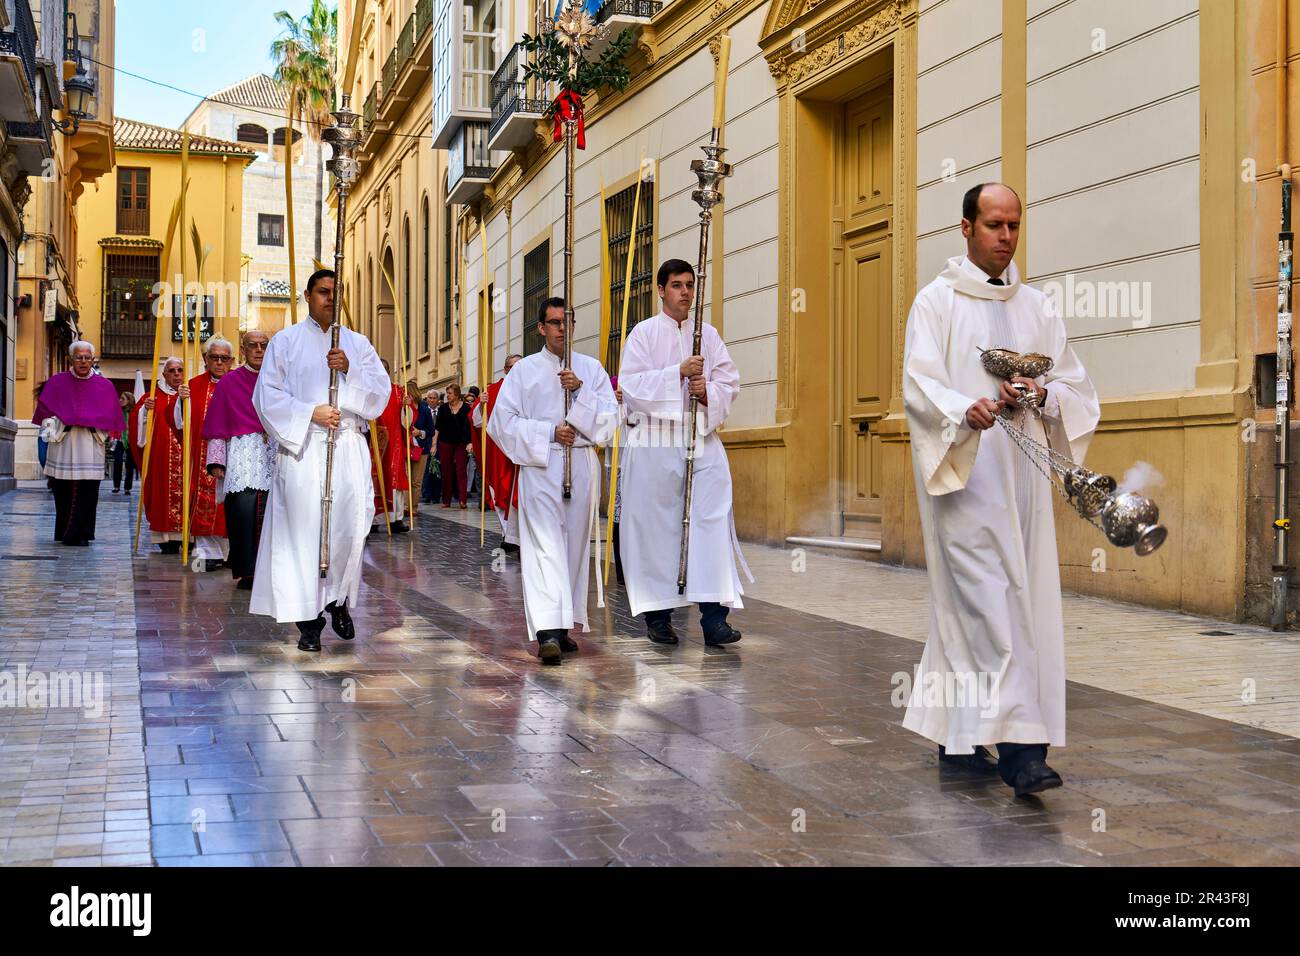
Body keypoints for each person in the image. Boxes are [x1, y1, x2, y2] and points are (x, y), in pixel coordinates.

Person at [901, 182, 1100, 798]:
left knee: (1002, 607)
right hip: (966, 480)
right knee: (988, 604)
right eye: (994, 225)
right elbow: (920, 384)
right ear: (966, 228)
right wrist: (967, 409)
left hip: (1024, 485)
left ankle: (956, 735)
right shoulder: (935, 304)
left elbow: (1076, 388)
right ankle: (1022, 753)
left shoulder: (1037, 306)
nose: (1006, 237)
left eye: (1014, 225)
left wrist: (1038, 394)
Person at [249, 269, 390, 651]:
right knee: (304, 534)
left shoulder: (358, 345)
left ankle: (338, 598)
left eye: (335, 292)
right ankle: (307, 622)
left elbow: (381, 395)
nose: (330, 298)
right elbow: (266, 396)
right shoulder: (285, 342)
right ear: (308, 296)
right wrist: (309, 412)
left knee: (347, 528)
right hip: (304, 449)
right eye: (323, 291)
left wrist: (350, 369)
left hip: (345, 447)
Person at [618, 258, 751, 647]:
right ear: (660, 290)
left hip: (700, 438)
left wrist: (706, 392)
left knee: (709, 522)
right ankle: (658, 616)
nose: (685, 292)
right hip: (656, 444)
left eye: (690, 285)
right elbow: (631, 387)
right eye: (676, 285)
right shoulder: (642, 335)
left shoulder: (707, 335)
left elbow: (730, 381)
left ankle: (714, 618)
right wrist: (676, 373)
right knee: (658, 530)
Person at [488, 298, 618, 663]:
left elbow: (609, 421)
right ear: (541, 328)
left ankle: (563, 626)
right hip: (541, 469)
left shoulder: (590, 370)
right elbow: (501, 423)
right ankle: (546, 630)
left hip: (580, 465)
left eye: (568, 321)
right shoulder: (524, 371)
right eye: (555, 322)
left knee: (573, 549)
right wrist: (548, 432)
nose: (562, 328)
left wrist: (579, 392)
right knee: (545, 547)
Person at [33, 341, 123, 546]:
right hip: (64, 444)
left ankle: (83, 533)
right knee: (62, 490)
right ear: (71, 359)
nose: (83, 361)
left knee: (88, 492)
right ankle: (65, 532)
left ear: (93, 360)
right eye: (79, 357)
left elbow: (111, 419)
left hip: (89, 445)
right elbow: (45, 415)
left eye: (87, 358)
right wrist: (55, 429)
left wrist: (99, 429)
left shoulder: (105, 386)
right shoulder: (57, 382)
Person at [204, 330, 274, 590]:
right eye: (252, 345)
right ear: (243, 350)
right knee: (243, 512)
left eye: (263, 345)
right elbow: (217, 426)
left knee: (271, 512)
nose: (258, 350)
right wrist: (216, 462)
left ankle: (270, 570)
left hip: (274, 453)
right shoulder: (229, 383)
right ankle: (248, 571)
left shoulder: (281, 380)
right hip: (242, 454)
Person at [181, 336, 234, 570]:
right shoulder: (193, 386)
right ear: (205, 359)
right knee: (203, 501)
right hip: (203, 455)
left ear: (232, 361)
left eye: (224, 358)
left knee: (231, 503)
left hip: (234, 454)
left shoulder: (239, 383)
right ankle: (206, 553)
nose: (219, 363)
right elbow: (179, 423)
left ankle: (230, 553)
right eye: (215, 358)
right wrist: (181, 403)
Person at [131, 357, 190, 553]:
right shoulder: (153, 397)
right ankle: (166, 539)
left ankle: (189, 536)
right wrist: (143, 412)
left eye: (180, 370)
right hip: (161, 460)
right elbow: (135, 425)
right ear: (164, 375)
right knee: (162, 493)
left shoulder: (191, 394)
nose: (176, 374)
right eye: (171, 371)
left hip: (187, 459)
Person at [472, 354, 522, 551]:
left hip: (522, 450)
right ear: (506, 370)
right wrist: (481, 404)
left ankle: (518, 536)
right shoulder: (492, 391)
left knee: (519, 493)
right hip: (499, 452)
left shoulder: (529, 386)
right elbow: (476, 421)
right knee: (502, 491)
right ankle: (508, 535)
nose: (516, 370)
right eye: (512, 367)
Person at [370, 362, 415, 533]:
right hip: (374, 441)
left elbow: (408, 421)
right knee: (374, 478)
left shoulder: (398, 391)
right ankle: (373, 520)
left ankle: (396, 519)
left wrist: (406, 406)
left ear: (388, 372)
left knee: (394, 478)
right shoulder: (368, 389)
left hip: (394, 441)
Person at [434, 383, 472, 509]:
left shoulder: (466, 408)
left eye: (450, 393)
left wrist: (470, 443)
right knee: (446, 471)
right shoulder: (443, 408)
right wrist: (434, 444)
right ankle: (446, 500)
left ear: (457, 394)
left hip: (461, 443)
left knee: (461, 470)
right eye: (447, 393)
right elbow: (437, 428)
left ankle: (463, 500)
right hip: (445, 442)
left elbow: (469, 428)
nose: (447, 396)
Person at [419, 389, 442, 503]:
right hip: (425, 443)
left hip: (440, 444)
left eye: (434, 398)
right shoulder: (422, 411)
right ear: (426, 399)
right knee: (426, 470)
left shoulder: (441, 411)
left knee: (437, 469)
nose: (432, 400)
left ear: (438, 400)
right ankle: (426, 494)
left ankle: (436, 495)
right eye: (430, 398)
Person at [111, 391, 136, 494]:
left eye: (123, 399)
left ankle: (127, 488)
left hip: (131, 442)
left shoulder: (134, 412)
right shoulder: (116, 411)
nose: (120, 400)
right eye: (120, 398)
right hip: (119, 441)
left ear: (129, 400)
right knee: (117, 462)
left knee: (130, 465)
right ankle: (116, 486)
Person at [465, 385, 482, 500]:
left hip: (476, 442)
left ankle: (473, 490)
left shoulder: (477, 409)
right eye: (467, 401)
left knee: (475, 468)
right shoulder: (464, 411)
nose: (469, 403)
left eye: (472, 401)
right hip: (467, 442)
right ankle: (467, 489)